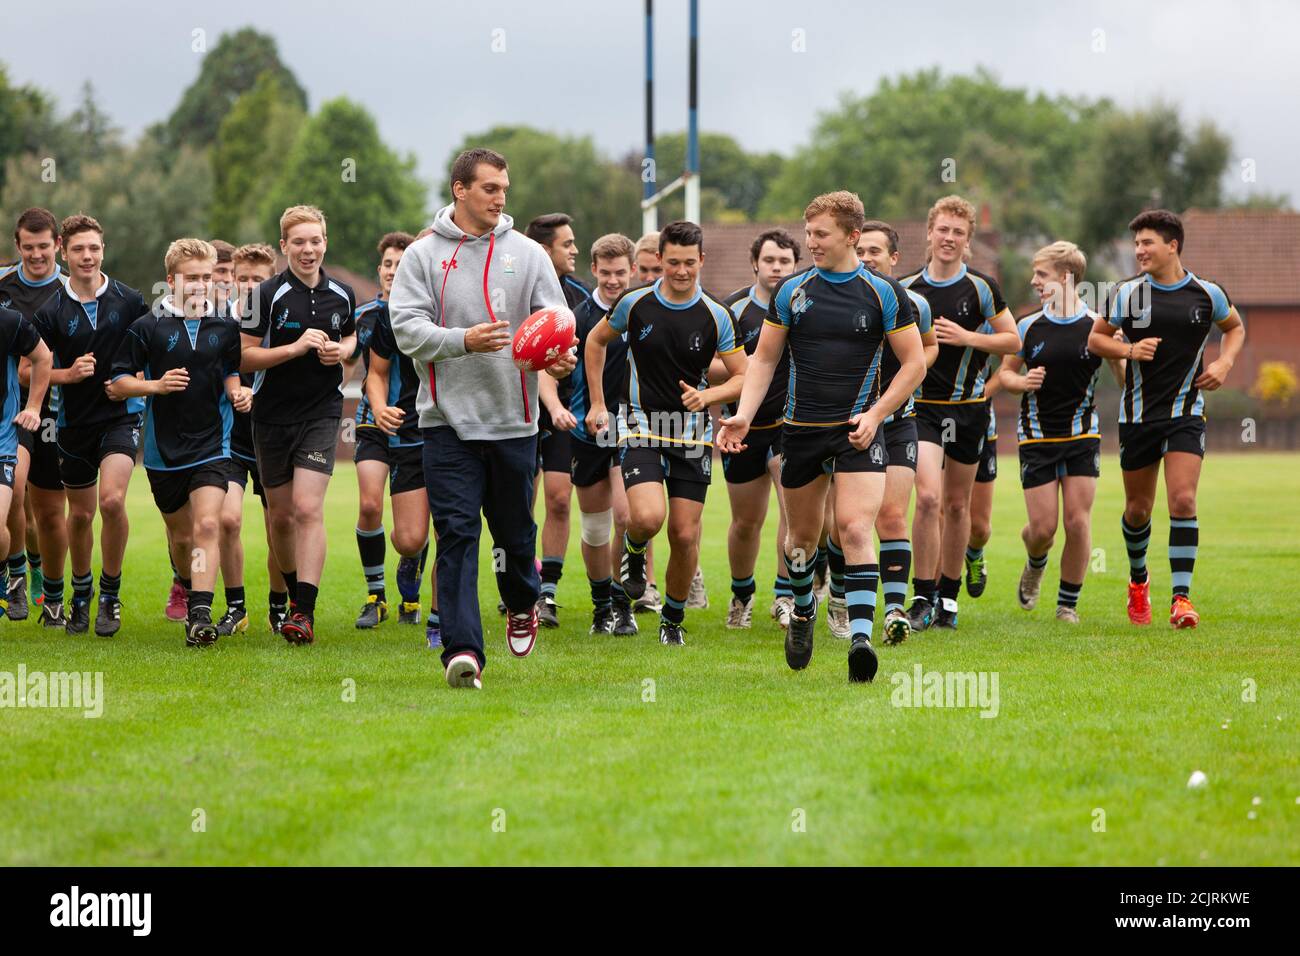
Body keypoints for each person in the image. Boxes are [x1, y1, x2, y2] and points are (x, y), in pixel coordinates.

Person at [718, 191, 925, 681]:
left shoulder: (883, 294)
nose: (810, 242)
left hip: (858, 431)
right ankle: (804, 613)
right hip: (801, 434)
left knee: (854, 529)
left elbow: (915, 364)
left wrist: (875, 415)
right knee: (801, 541)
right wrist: (745, 415)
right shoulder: (792, 291)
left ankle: (859, 639)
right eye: (808, 232)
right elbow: (764, 359)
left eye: (820, 234)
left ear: (852, 236)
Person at [389, 147, 573, 690]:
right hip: (445, 424)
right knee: (457, 533)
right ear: (460, 190)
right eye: (490, 188)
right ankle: (462, 650)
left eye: (505, 189)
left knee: (517, 537)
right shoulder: (423, 257)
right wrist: (461, 341)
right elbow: (405, 330)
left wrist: (558, 358)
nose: (500, 198)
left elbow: (555, 322)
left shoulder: (529, 254)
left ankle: (522, 600)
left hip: (515, 423)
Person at [584, 220, 747, 646]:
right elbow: (595, 342)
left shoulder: (717, 315)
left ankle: (672, 620)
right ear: (659, 259)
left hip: (691, 435)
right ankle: (635, 552)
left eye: (688, 263)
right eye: (672, 262)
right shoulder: (634, 305)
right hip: (640, 425)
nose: (680, 271)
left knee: (685, 534)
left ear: (702, 261)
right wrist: (599, 403)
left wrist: (709, 398)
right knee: (646, 517)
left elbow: (743, 376)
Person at [1087, 209, 1245, 628]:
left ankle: (1181, 599)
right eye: (1137, 243)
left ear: (1172, 245)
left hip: (1186, 413)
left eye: (1147, 243)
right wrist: (1129, 351)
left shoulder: (1206, 293)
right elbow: (1096, 339)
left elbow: (1235, 328)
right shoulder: (1127, 293)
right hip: (1137, 417)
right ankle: (1139, 581)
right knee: (1138, 510)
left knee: (1183, 500)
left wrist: (1226, 364)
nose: (1139, 250)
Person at [108, 238, 247, 646]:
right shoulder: (147, 328)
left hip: (212, 447)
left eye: (207, 277)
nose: (201, 285)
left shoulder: (225, 327)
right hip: (162, 453)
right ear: (171, 280)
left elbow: (231, 371)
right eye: (191, 278)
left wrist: (238, 391)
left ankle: (199, 614)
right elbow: (117, 384)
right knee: (183, 538)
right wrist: (156, 385)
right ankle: (189, 588)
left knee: (208, 523)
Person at [899, 195, 1019, 631]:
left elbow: (1012, 341)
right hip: (923, 410)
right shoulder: (907, 288)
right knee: (927, 498)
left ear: (967, 241)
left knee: (955, 504)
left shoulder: (982, 288)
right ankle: (921, 596)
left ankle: (948, 599)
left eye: (958, 233)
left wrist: (970, 337)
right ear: (929, 233)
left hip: (969, 410)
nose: (949, 238)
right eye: (943, 230)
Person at [241, 205, 357, 646]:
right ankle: (293, 597)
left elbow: (352, 338)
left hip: (321, 414)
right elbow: (244, 356)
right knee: (282, 518)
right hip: (270, 417)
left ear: (325, 242)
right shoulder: (263, 296)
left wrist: (342, 351)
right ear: (283, 246)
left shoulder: (343, 294)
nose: (308, 250)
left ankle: (303, 613)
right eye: (299, 242)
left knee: (308, 510)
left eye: (316, 241)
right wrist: (293, 349)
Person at [32, 214, 150, 636]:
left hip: (121, 418)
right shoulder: (50, 311)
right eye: (79, 249)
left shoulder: (130, 299)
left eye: (94, 248)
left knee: (112, 502)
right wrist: (67, 375)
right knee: (79, 517)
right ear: (64, 250)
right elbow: (30, 372)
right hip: (72, 425)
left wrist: (134, 386)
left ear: (104, 250)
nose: (87, 256)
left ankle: (111, 595)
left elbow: (150, 350)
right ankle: (80, 595)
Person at [998, 241, 1122, 624]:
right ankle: (1035, 561)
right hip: (1036, 437)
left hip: (1082, 436)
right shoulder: (1028, 326)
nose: (1034, 281)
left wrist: (1121, 353)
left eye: (1042, 275)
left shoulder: (1097, 327)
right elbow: (1004, 374)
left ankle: (1067, 604)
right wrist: (1021, 382)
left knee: (1077, 521)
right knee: (1043, 529)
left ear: (1066, 278)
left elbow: (1123, 380)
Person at [844, 221, 938, 644]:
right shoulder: (839, 296)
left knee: (893, 514)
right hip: (846, 424)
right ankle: (839, 601)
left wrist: (911, 372)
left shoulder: (914, 302)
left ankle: (896, 610)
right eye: (860, 249)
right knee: (844, 524)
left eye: (875, 251)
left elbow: (929, 346)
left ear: (894, 258)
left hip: (899, 421)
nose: (865, 257)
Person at [350, 232, 432, 634]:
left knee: (410, 538)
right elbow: (351, 358)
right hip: (372, 420)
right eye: (387, 264)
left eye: (401, 265)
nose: (393, 271)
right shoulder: (368, 314)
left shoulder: (429, 307)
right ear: (379, 268)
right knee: (368, 505)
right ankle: (375, 595)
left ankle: (412, 566)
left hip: (417, 428)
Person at [720, 229, 799, 629]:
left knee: (792, 512)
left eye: (785, 262)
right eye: (770, 261)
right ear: (755, 263)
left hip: (791, 426)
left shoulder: (805, 305)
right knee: (746, 522)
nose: (777, 268)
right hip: (744, 428)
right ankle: (742, 594)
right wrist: (744, 364)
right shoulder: (732, 309)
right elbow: (711, 367)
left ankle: (785, 595)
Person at [565, 233, 639, 636]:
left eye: (621, 273)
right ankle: (600, 606)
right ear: (593, 270)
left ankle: (623, 603)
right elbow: (556, 369)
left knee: (627, 517)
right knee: (595, 528)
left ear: (632, 271)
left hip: (633, 429)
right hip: (587, 429)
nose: (613, 281)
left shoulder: (643, 310)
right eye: (606, 273)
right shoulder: (577, 317)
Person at [526, 213, 590, 627]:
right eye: (567, 244)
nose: (574, 250)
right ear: (546, 250)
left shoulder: (580, 299)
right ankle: (520, 583)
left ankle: (546, 593)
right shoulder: (519, 289)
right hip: (520, 413)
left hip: (564, 415)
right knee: (517, 506)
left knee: (561, 499)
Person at [0, 208, 64, 622]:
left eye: (44, 246)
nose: (37, 254)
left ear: (57, 245)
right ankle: (19, 578)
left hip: (62, 412)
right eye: (29, 247)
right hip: (15, 411)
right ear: (18, 247)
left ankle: (49, 586)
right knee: (15, 491)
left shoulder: (72, 287)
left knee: (49, 511)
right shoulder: (3, 286)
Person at [219, 242, 283, 635]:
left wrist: (256, 393)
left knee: (278, 525)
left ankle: (279, 607)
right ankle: (236, 607)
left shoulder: (281, 322)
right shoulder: (218, 323)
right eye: (241, 279)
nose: (248, 286)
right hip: (229, 439)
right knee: (227, 520)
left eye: (257, 280)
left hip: (273, 437)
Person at [0, 297, 53, 617]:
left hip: (3, 438)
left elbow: (43, 356)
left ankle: (10, 571)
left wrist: (33, 407)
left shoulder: (8, 321)